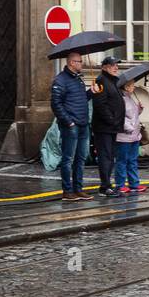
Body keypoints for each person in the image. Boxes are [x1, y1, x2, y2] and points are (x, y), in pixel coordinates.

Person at [50, 51, 91, 201]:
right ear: (72, 63)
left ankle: (78, 189)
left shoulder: (78, 79)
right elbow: (56, 104)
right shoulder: (60, 80)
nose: (82, 63)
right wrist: (69, 122)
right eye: (80, 61)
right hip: (71, 125)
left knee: (81, 158)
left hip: (83, 124)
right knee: (68, 159)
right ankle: (67, 191)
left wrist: (91, 92)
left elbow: (81, 100)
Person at [90, 56, 126, 197]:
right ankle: (105, 187)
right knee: (105, 157)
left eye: (117, 64)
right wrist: (111, 120)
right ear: (104, 67)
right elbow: (100, 105)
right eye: (112, 65)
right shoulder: (101, 81)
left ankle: (107, 185)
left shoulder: (113, 81)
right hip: (104, 127)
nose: (116, 67)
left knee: (110, 156)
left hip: (112, 127)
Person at [114, 79, 145, 195]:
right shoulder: (120, 100)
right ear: (126, 87)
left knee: (132, 160)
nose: (134, 87)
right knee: (122, 161)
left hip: (134, 136)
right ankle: (120, 185)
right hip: (124, 136)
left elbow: (132, 116)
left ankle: (134, 184)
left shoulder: (130, 98)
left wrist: (139, 110)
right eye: (132, 85)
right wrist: (129, 128)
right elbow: (119, 117)